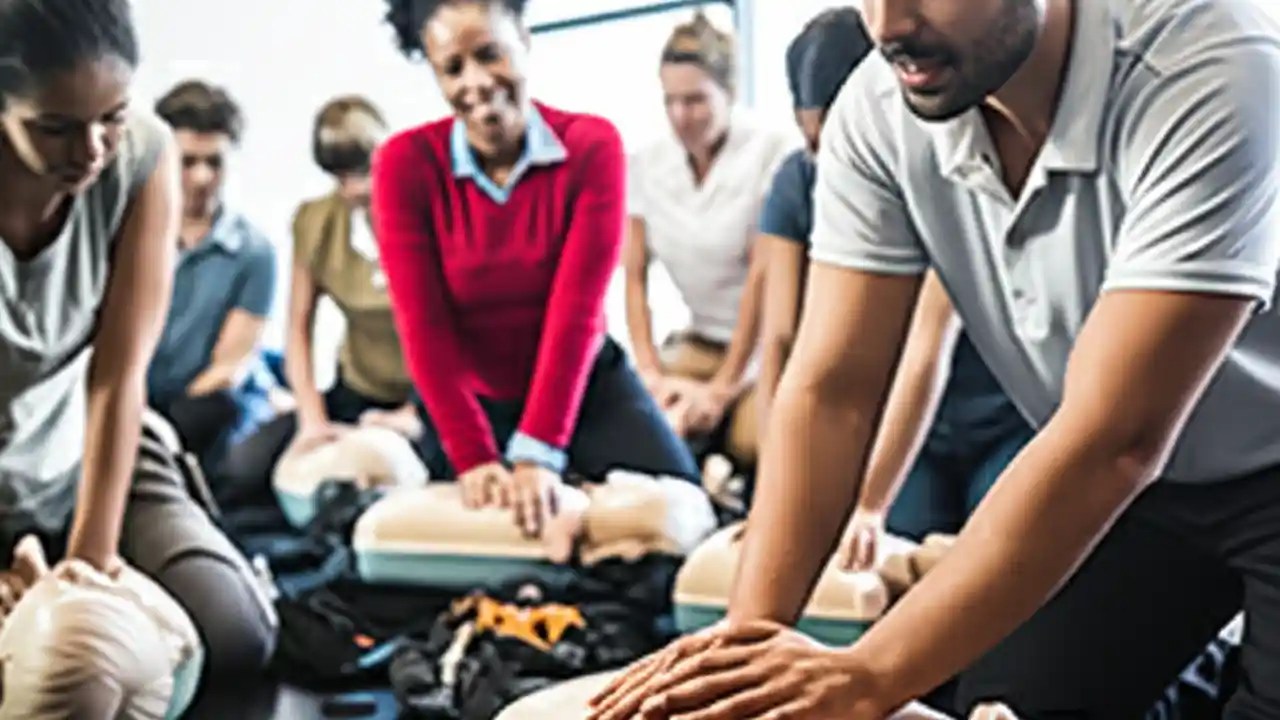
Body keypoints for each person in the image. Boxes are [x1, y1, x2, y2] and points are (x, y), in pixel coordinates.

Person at [589, 0, 1280, 717]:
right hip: (1143, 499)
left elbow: (1115, 440)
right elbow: (834, 392)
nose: (888, 25)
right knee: (1000, 709)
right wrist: (741, 653)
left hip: (1229, 462)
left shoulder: (1212, 62)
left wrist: (867, 679)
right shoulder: (881, 106)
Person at [0, 0, 274, 688]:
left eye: (112, 116)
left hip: (92, 445)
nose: (91, 150)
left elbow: (118, 378)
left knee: (234, 636)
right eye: (56, 127)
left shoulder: (145, 156)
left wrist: (85, 576)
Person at [373, 0, 700, 540]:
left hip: (586, 384)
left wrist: (538, 451)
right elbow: (423, 330)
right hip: (474, 407)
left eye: (489, 54)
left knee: (683, 518)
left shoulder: (591, 147)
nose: (475, 83)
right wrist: (475, 457)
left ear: (523, 37)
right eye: (452, 69)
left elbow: (575, 313)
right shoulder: (403, 165)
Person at [758, 9, 1033, 564]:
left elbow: (922, 353)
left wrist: (869, 505)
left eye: (834, 138)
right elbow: (783, 342)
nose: (826, 161)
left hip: (1003, 418)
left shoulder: (942, 158)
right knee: (868, 561)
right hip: (900, 431)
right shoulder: (796, 181)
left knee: (986, 563)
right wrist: (773, 497)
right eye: (813, 144)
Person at [219, 95, 425, 503]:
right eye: (341, 176)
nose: (356, 189)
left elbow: (455, 331)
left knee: (388, 473)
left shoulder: (428, 214)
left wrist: (414, 416)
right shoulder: (315, 222)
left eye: (364, 171)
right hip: (357, 391)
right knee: (244, 467)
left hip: (430, 402)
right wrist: (311, 419)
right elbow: (298, 329)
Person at [624, 12, 794, 469]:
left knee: (758, 441)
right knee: (636, 421)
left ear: (730, 94)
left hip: (767, 348)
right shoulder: (647, 162)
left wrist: (722, 390)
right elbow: (635, 276)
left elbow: (763, 278)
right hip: (699, 342)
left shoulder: (771, 151)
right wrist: (650, 373)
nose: (682, 116)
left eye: (696, 100)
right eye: (671, 101)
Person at [148, 80, 278, 474]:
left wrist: (162, 428)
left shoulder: (254, 252)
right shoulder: (125, 235)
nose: (202, 177)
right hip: (133, 396)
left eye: (214, 162)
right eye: (187, 162)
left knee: (212, 411)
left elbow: (228, 366)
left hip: (204, 405)